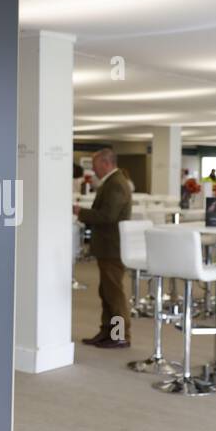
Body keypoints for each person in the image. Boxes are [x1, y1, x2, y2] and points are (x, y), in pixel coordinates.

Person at [74, 148, 134, 348]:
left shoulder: (116, 183)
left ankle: (119, 335)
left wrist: (81, 212)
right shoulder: (112, 182)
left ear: (106, 163)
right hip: (108, 246)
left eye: (95, 165)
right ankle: (107, 332)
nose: (93, 169)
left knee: (114, 294)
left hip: (112, 247)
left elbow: (108, 216)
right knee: (106, 292)